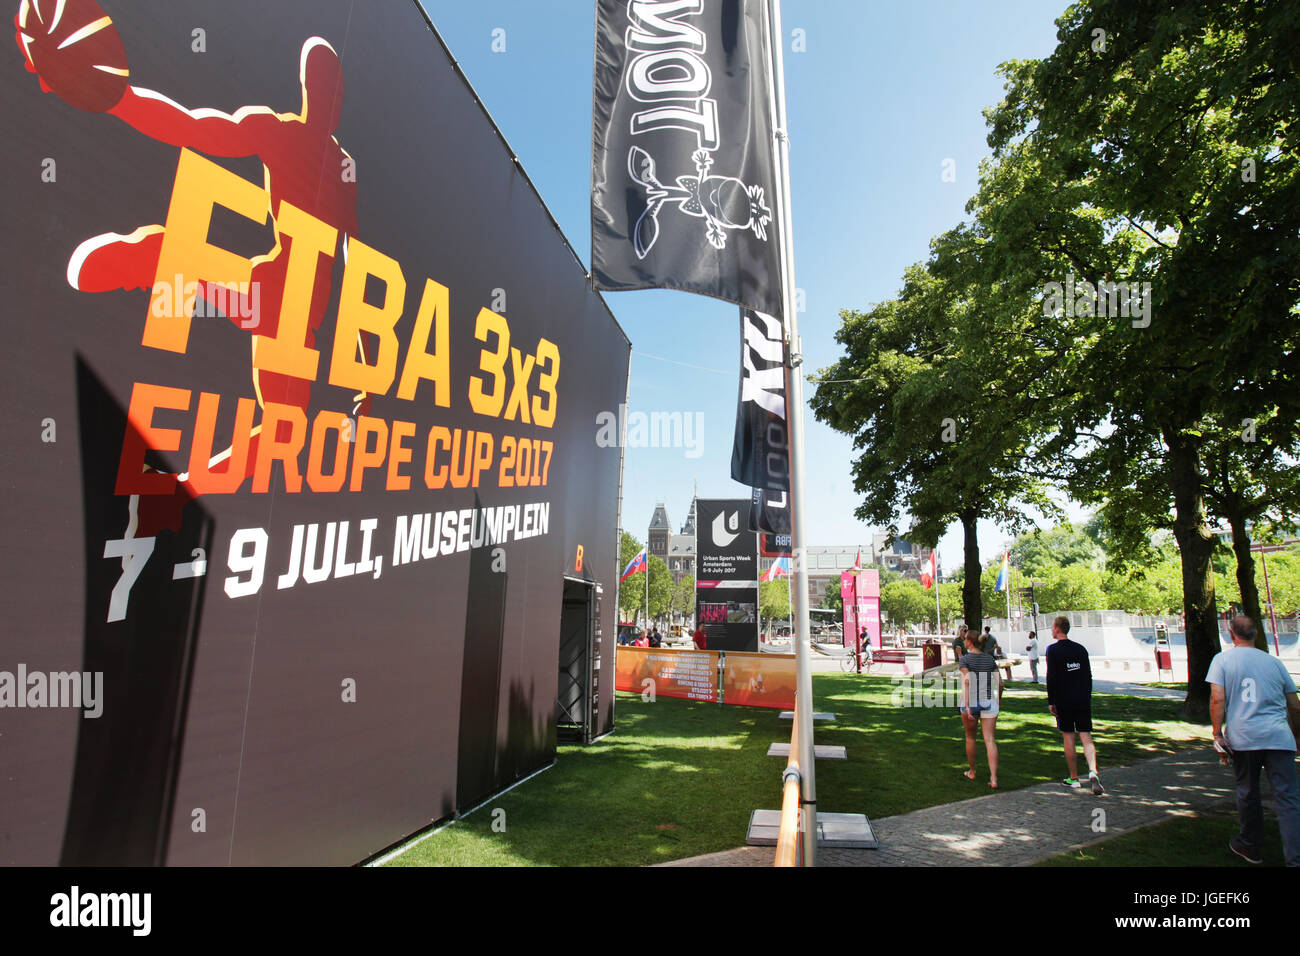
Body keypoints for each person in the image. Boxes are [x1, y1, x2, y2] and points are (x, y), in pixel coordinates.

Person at [1207, 615, 1300, 865]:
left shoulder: (1222, 660)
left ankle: (1250, 845)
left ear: (1230, 633)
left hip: (1244, 736)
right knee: (1288, 798)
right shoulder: (1274, 662)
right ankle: (1295, 858)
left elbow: (1217, 698)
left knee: (1248, 792)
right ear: (1256, 634)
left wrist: (1217, 733)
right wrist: (1297, 735)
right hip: (1279, 737)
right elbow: (1294, 705)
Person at [1046, 615, 1103, 794]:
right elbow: (1088, 675)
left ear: (1057, 628)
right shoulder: (1080, 649)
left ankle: (1074, 777)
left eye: (1053, 627)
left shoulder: (1053, 650)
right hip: (1081, 699)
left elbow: (1052, 677)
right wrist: (1086, 695)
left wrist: (1052, 701)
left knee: (1068, 736)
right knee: (1086, 736)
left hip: (1064, 699)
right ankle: (1093, 770)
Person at [958, 629, 1002, 789]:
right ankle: (994, 778)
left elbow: (968, 681)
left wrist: (968, 706)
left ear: (969, 642)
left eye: (965, 639)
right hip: (989, 701)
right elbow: (1000, 683)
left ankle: (972, 771)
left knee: (970, 738)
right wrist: (999, 700)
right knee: (990, 740)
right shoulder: (989, 659)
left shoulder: (965, 660)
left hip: (972, 702)